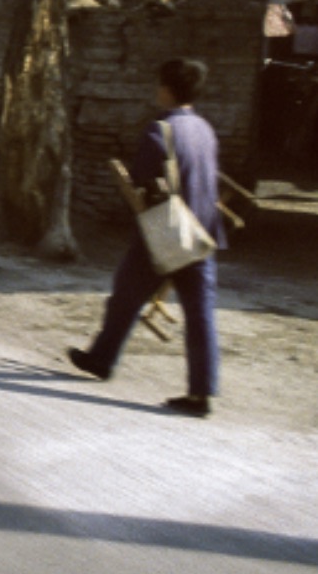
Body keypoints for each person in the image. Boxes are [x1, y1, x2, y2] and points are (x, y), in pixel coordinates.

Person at [67, 58, 226, 417]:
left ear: (167, 89)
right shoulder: (205, 129)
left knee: (125, 297)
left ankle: (102, 359)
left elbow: (143, 180)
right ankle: (201, 394)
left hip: (165, 232)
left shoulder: (161, 130)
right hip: (202, 234)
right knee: (200, 315)